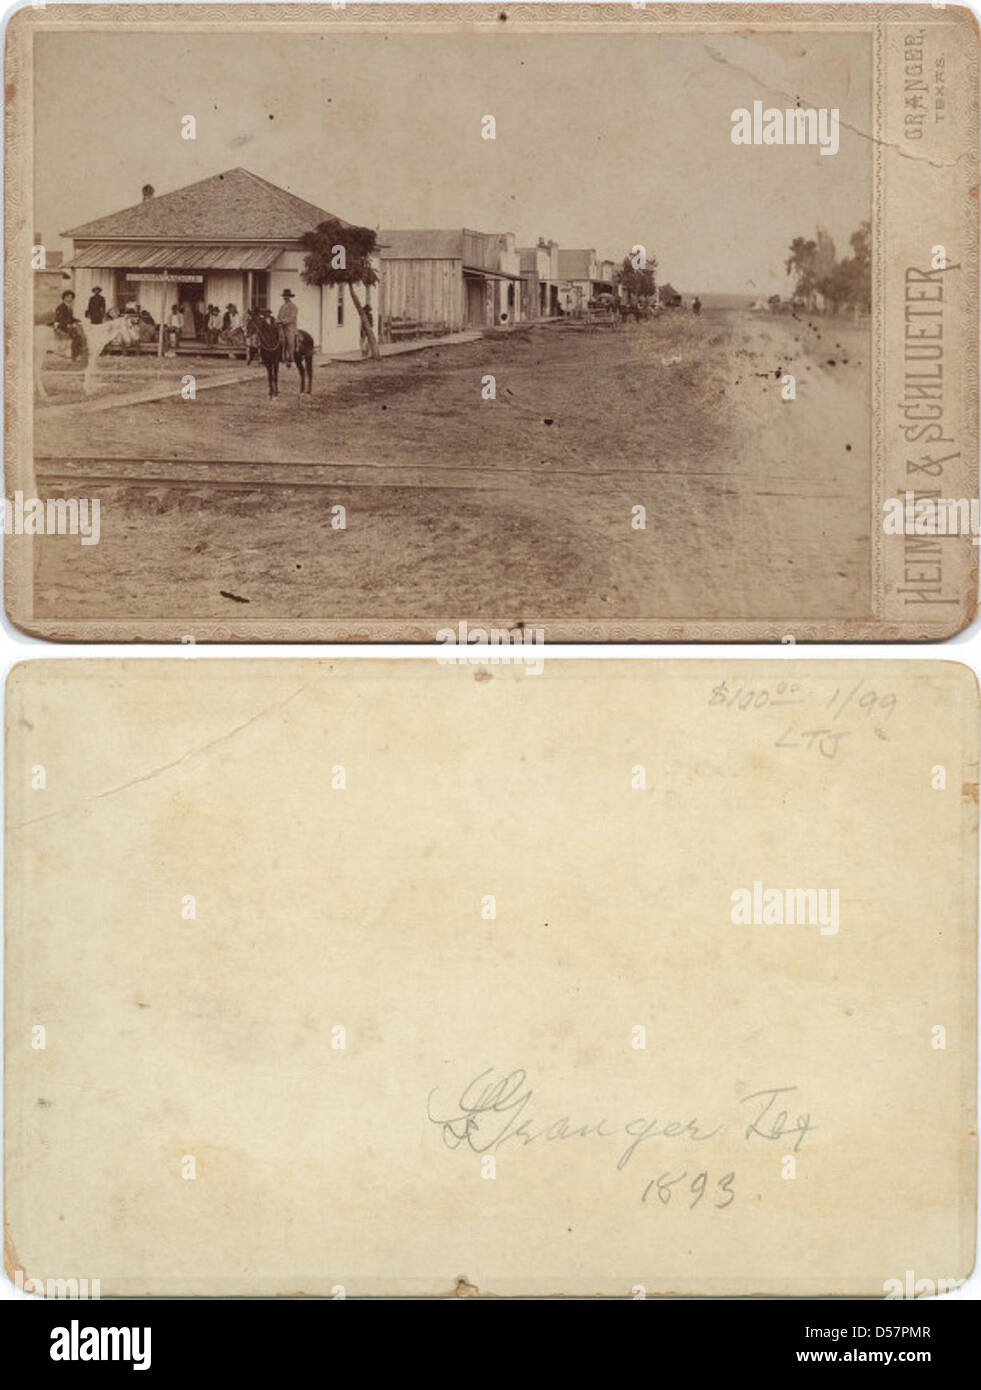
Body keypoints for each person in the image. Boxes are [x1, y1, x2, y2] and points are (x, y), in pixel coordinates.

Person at [53, 289, 84, 359]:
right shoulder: (61, 307)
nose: (69, 299)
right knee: (76, 336)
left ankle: (77, 354)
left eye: (71, 297)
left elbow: (70, 318)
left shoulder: (69, 307)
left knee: (80, 334)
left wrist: (78, 320)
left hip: (67, 326)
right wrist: (68, 325)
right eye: (67, 297)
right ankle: (73, 355)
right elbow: (59, 318)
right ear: (64, 298)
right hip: (61, 326)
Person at [277, 288, 297, 366]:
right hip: (281, 327)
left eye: (287, 296)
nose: (285, 298)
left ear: (290, 297)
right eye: (284, 296)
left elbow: (292, 318)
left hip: (290, 327)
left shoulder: (293, 307)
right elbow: (278, 316)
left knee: (290, 340)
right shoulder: (282, 307)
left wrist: (282, 321)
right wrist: (277, 321)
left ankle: (290, 357)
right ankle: (278, 356)